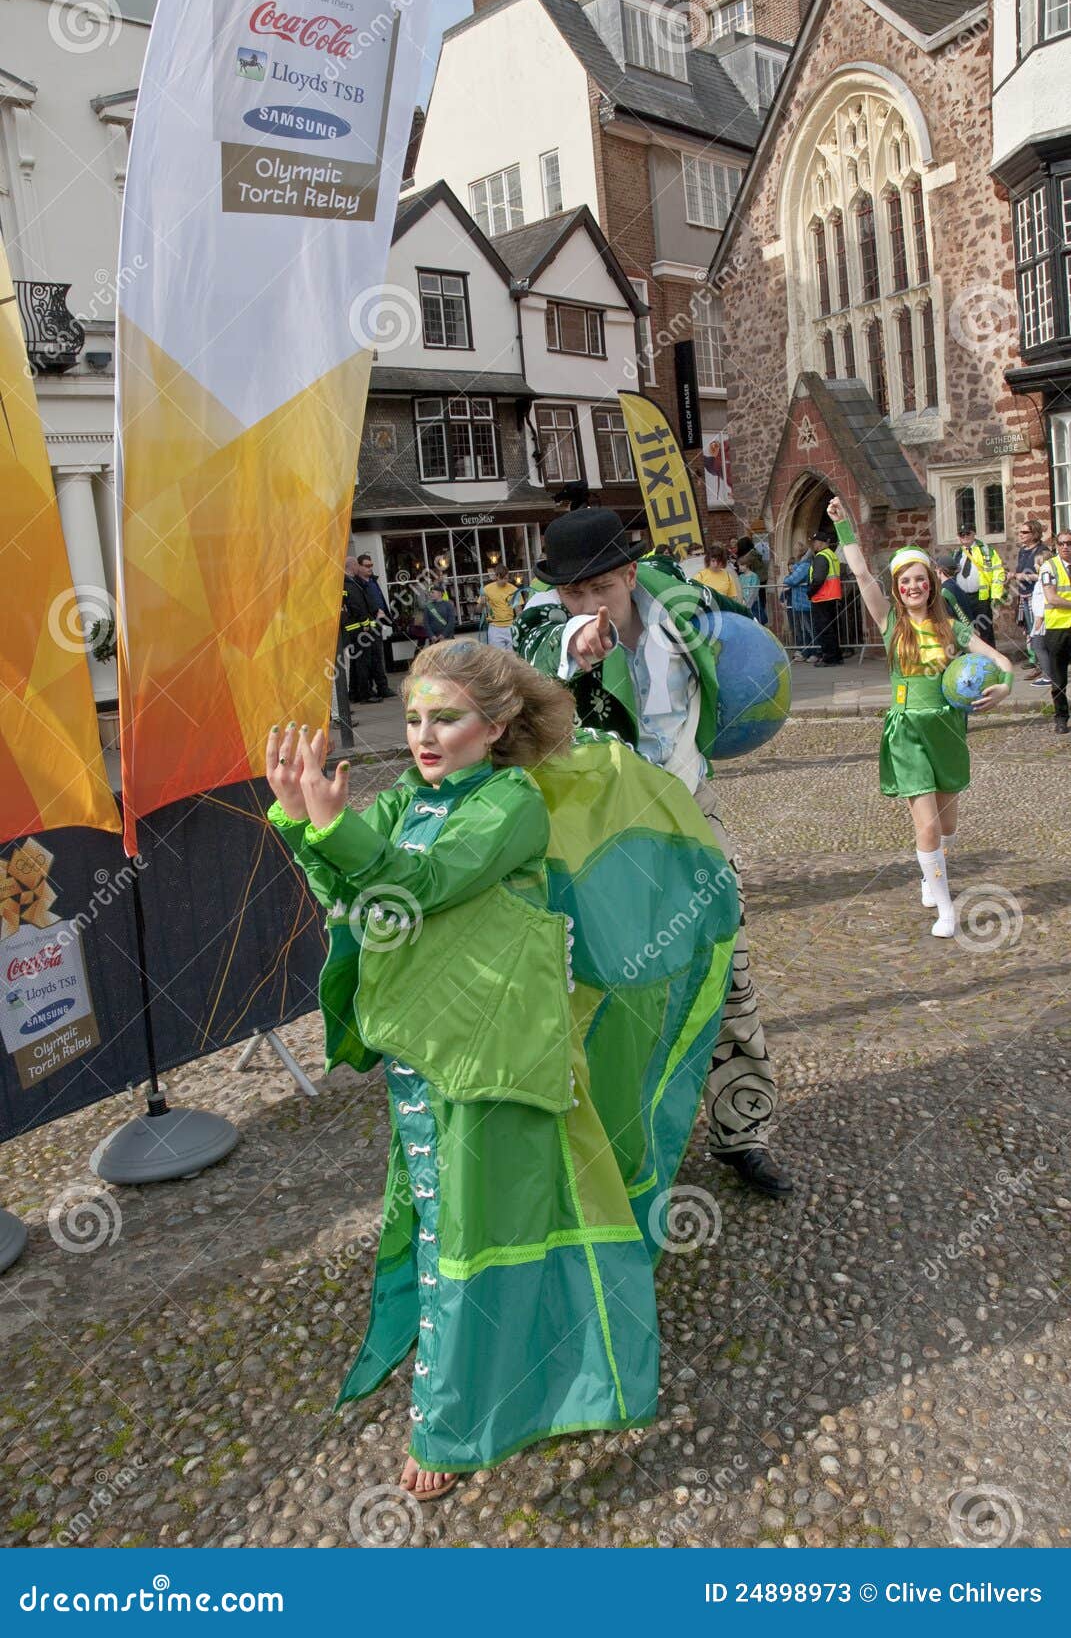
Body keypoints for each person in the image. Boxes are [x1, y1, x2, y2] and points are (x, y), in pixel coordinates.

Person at [265, 641, 741, 1498]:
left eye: (444, 718)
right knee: (464, 1231)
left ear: (495, 725)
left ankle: (450, 1431)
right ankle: (507, 1384)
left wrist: (336, 829)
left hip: (494, 1055)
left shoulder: (511, 803)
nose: (423, 734)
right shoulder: (415, 798)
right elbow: (358, 898)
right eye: (413, 717)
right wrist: (302, 820)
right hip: (427, 1054)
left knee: (474, 1243)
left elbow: (421, 881)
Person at [515, 506, 794, 1198]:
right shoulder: (544, 625)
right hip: (599, 835)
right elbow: (534, 654)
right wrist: (578, 641)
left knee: (727, 971)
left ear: (629, 573)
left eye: (597, 589)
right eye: (570, 592)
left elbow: (732, 639)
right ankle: (623, 1148)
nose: (583, 602)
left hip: (691, 819)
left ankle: (743, 1131)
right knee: (616, 990)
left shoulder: (683, 604)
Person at [832, 498, 1014, 935]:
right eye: (905, 581)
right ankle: (947, 909)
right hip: (907, 729)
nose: (913, 587)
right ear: (896, 588)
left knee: (948, 826)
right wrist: (843, 528)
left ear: (931, 585)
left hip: (948, 728)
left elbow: (1001, 662)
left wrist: (1005, 688)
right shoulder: (890, 621)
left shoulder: (953, 628)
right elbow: (859, 573)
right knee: (928, 827)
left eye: (920, 580)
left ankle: (930, 874)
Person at [1039, 530, 1071, 735]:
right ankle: (1061, 717)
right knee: (1059, 678)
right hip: (1057, 629)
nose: (1066, 547)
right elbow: (1052, 598)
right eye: (1062, 544)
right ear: (1056, 546)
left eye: (1069, 543)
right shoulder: (1049, 566)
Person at [954, 522, 1006, 648]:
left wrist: (996, 596)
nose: (964, 536)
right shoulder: (957, 553)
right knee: (966, 630)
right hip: (963, 598)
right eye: (961, 534)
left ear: (973, 533)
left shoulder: (986, 550)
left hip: (981, 597)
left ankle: (990, 659)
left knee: (985, 630)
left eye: (967, 533)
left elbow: (998, 573)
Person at [354, 553, 396, 697]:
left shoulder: (372, 581)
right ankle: (368, 689)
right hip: (367, 625)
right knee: (368, 659)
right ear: (358, 567)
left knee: (378, 657)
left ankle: (382, 687)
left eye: (371, 565)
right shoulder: (357, 583)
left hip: (378, 622)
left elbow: (379, 599)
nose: (370, 568)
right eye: (367, 566)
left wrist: (385, 615)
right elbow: (360, 605)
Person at [341, 557, 378, 706]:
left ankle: (355, 693)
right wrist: (366, 623)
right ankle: (364, 694)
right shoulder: (349, 583)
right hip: (358, 629)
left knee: (355, 664)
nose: (358, 567)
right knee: (362, 662)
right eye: (357, 564)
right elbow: (356, 605)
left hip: (353, 629)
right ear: (352, 566)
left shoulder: (350, 582)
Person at [1014, 518, 1050, 668]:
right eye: (1020, 532)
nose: (1020, 535)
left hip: (1038, 595)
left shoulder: (1043, 551)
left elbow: (1044, 574)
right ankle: (1033, 659)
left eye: (1024, 532)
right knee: (1029, 629)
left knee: (1038, 630)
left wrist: (1024, 576)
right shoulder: (1023, 550)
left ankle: (1043, 664)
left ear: (1034, 534)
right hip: (1024, 595)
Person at [807, 530, 844, 665]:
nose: (813, 545)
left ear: (821, 543)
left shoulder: (821, 557)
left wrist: (809, 592)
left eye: (815, 542)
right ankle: (836, 656)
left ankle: (829, 658)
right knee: (831, 629)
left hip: (822, 597)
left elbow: (818, 579)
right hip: (832, 596)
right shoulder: (831, 555)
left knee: (824, 630)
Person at [780, 546, 818, 661]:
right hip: (801, 604)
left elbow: (791, 580)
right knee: (805, 630)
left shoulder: (804, 566)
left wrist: (788, 580)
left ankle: (815, 653)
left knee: (809, 629)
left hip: (804, 603)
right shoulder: (802, 566)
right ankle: (807, 652)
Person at [476, 565, 518, 651]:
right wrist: (481, 604)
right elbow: (478, 610)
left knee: (514, 657)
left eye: (506, 578)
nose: (505, 581)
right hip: (495, 627)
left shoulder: (513, 589)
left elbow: (519, 610)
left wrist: (519, 626)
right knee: (498, 657)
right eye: (502, 579)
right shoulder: (487, 589)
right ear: (496, 576)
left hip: (511, 626)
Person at [936, 554, 974, 626]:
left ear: (940, 570)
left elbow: (947, 615)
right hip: (968, 627)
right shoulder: (957, 586)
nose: (935, 571)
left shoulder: (945, 590)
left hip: (958, 630)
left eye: (936, 568)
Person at [737, 552, 761, 617]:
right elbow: (738, 589)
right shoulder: (740, 577)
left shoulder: (754, 576)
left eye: (741, 565)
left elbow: (753, 591)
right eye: (739, 565)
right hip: (742, 603)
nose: (739, 567)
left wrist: (747, 603)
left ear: (747, 565)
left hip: (753, 604)